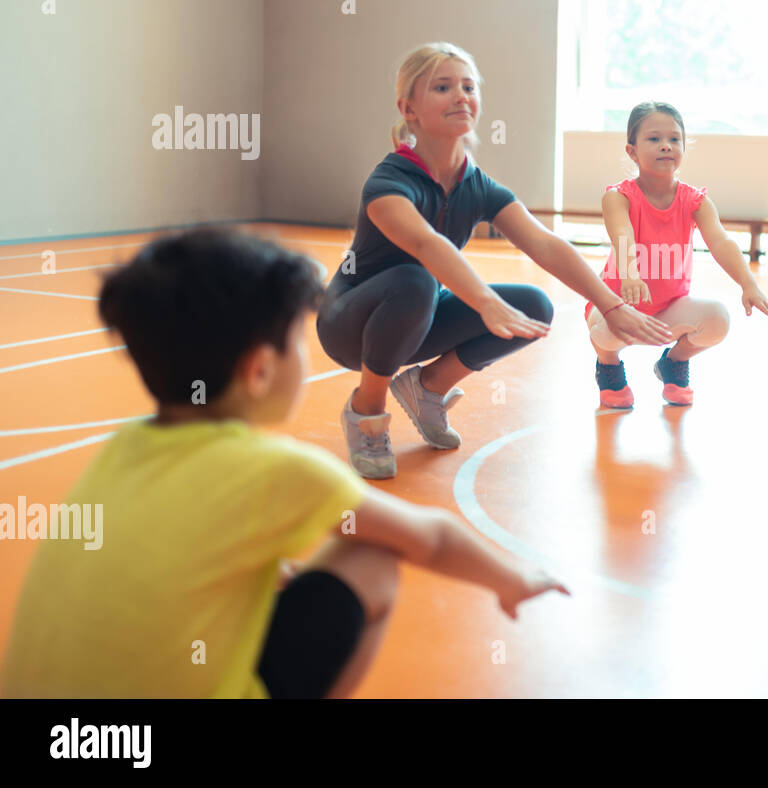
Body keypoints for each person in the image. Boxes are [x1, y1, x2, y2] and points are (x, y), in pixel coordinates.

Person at [0, 229, 568, 698]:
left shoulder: (123, 449)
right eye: (299, 338)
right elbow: (432, 539)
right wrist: (512, 579)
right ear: (260, 370)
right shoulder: (274, 469)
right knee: (371, 555)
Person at [316, 43, 673, 476]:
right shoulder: (389, 180)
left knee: (533, 306)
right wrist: (484, 302)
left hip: (416, 316)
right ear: (408, 108)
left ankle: (427, 390)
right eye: (442, 87)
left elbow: (544, 243)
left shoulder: (476, 184)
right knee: (416, 280)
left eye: (468, 87)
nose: (460, 96)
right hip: (348, 324)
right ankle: (365, 410)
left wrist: (610, 305)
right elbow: (428, 246)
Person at [586, 102, 768, 407]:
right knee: (607, 332)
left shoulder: (695, 200)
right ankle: (609, 364)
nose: (666, 146)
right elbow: (622, 234)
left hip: (669, 311)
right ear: (632, 151)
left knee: (717, 318)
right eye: (654, 139)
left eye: (674, 139)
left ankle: (674, 363)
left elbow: (721, 242)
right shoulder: (618, 197)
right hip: (620, 306)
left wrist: (749, 284)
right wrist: (630, 273)